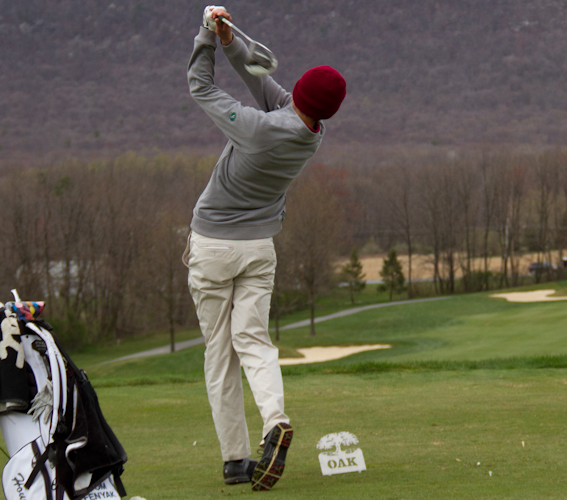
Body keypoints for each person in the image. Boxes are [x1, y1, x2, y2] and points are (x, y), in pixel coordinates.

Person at [184, 5, 346, 491]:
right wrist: (229, 37)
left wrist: (204, 37)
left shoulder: (258, 129)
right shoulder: (313, 133)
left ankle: (235, 459)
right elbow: (261, 82)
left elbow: (200, 87)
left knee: (220, 353)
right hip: (259, 249)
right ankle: (275, 420)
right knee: (254, 342)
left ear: (297, 94)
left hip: (213, 245)